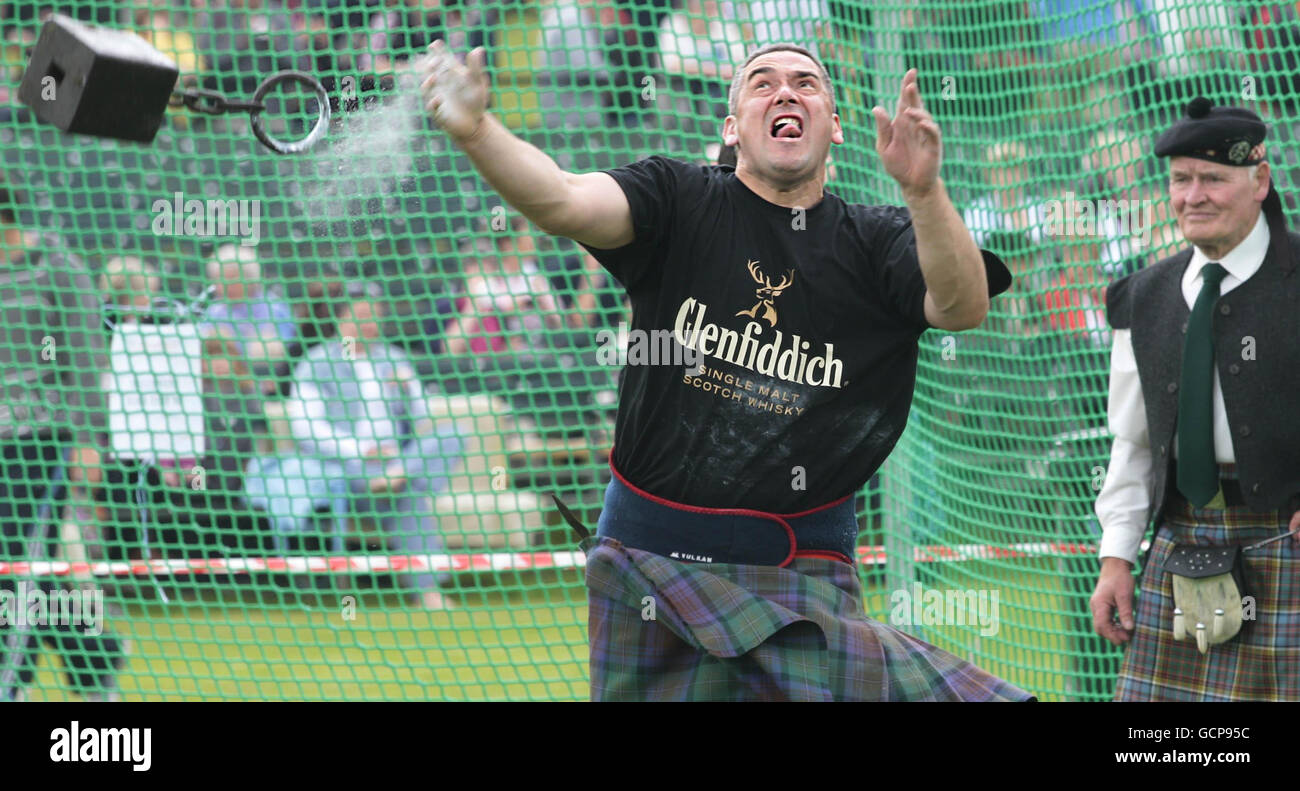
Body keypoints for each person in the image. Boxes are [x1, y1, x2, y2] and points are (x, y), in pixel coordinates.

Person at [421, 39, 1032, 701]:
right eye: (762, 83)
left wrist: (923, 190)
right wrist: (479, 131)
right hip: (651, 567)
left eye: (807, 83)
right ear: (733, 125)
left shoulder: (877, 239)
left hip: (807, 577)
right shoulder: (676, 198)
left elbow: (963, 304)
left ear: (835, 125)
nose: (786, 92)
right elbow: (563, 200)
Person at [1091, 98, 1300, 701]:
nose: (1194, 196)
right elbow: (1134, 441)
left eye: (1214, 178)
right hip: (1181, 543)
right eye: (1181, 180)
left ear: (1260, 180)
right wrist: (1116, 559)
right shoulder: (1142, 296)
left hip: (1286, 543)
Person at [0, 176, 127, 701]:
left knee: (20, 567)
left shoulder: (58, 268)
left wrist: (86, 440)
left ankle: (13, 682)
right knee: (24, 568)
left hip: (39, 441)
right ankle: (97, 660)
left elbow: (85, 360)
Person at [286, 284, 462, 609]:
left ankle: (399, 474)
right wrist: (359, 450)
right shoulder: (316, 363)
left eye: (375, 316)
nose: (370, 324)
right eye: (362, 316)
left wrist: (407, 391)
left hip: (396, 462)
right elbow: (307, 429)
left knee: (453, 434)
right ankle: (429, 593)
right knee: (410, 495)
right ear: (340, 320)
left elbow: (423, 417)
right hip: (350, 469)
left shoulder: (394, 358)